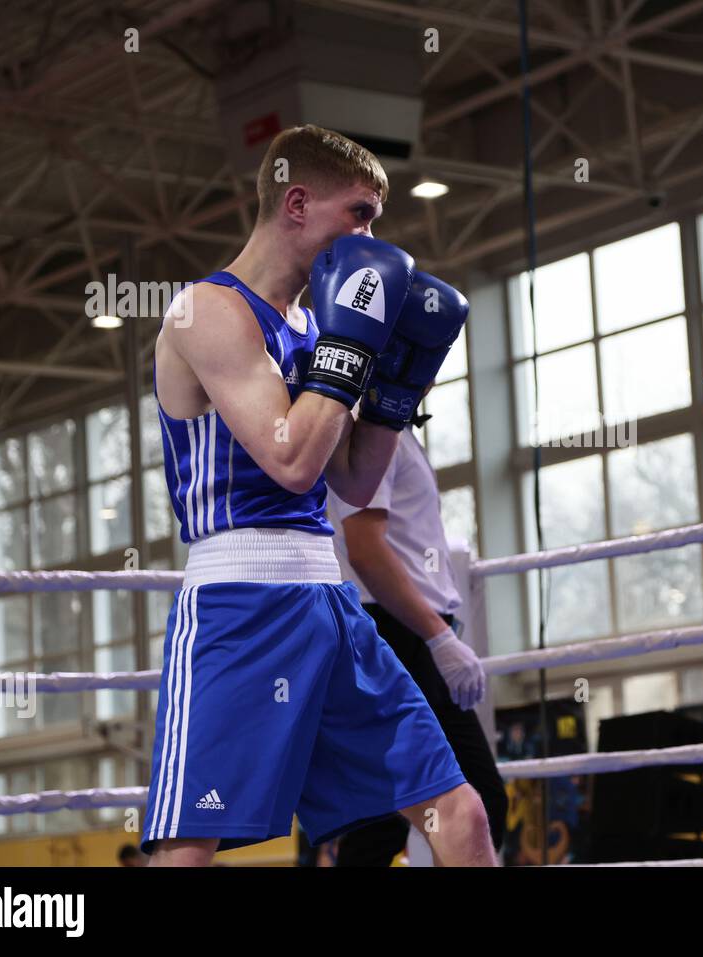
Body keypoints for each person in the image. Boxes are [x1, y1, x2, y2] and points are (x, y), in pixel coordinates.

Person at [142, 123, 496, 867]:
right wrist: (351, 351)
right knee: (188, 852)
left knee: (460, 812)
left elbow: (354, 482)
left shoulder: (315, 324)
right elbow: (294, 462)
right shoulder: (205, 311)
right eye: (359, 213)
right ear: (297, 203)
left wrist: (397, 390)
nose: (371, 234)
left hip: (329, 603)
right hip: (238, 604)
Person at [325, 385, 508, 866]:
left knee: (391, 809)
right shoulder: (373, 431)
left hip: (407, 629)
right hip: (398, 630)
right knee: (472, 799)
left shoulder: (394, 428)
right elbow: (364, 547)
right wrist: (438, 636)